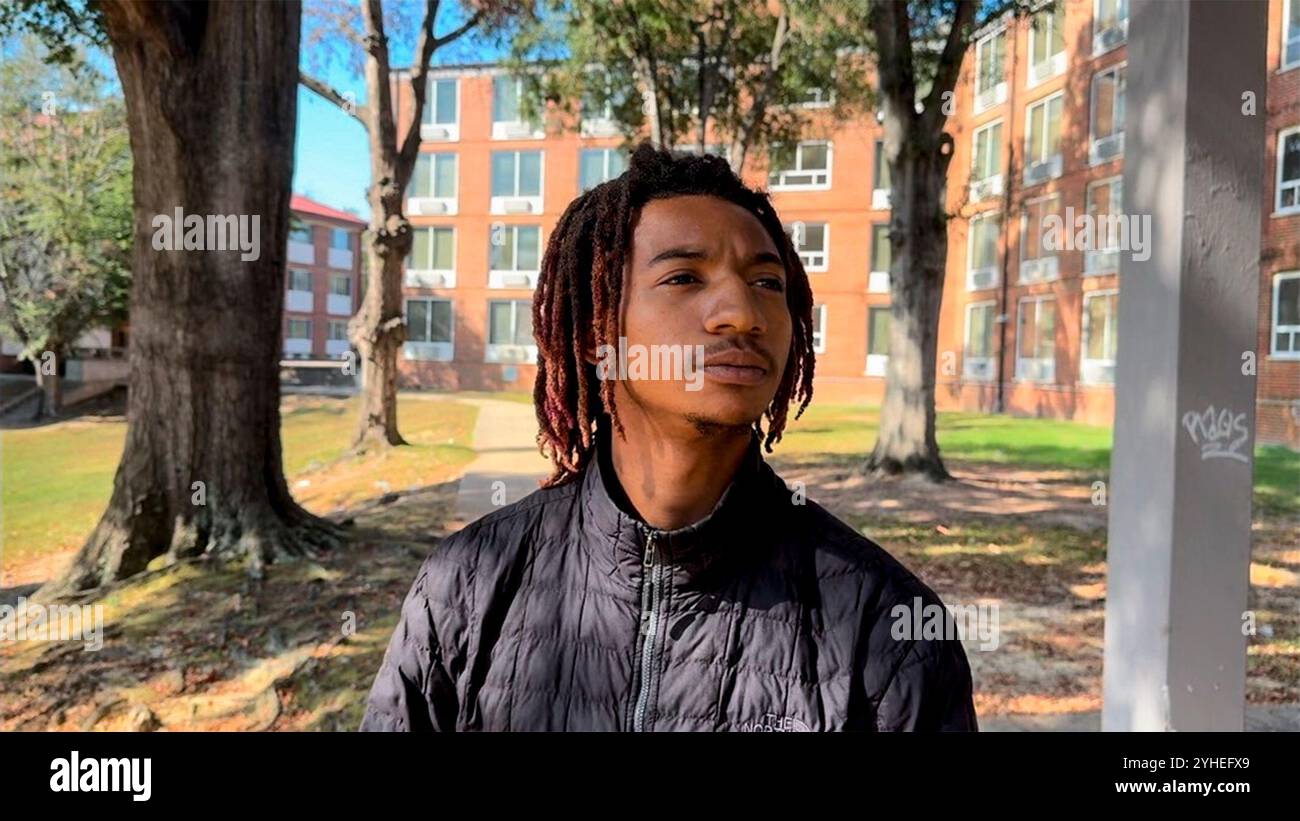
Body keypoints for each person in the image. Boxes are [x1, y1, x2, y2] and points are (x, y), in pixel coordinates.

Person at [359, 143, 977, 732]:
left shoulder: (888, 626)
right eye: (684, 277)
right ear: (597, 331)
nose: (742, 312)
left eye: (768, 283)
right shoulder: (465, 583)